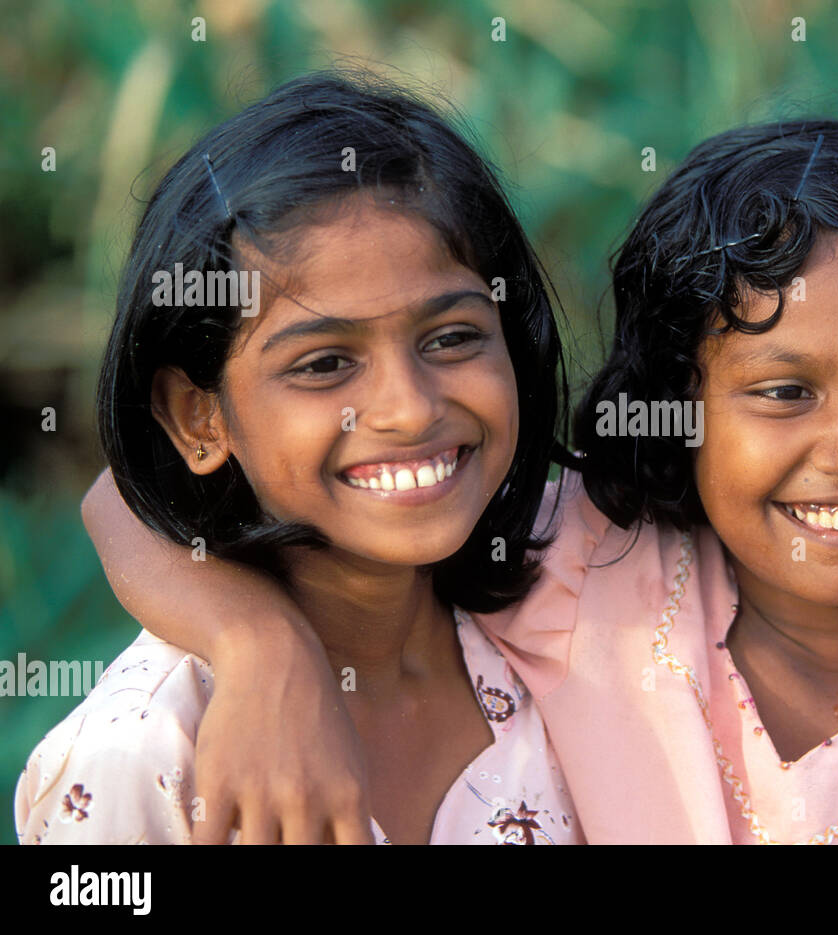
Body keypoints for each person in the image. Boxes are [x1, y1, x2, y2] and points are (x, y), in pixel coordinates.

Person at [74, 119, 838, 844]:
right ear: (676, 413)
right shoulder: (587, 571)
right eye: (779, 392)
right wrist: (258, 647)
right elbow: (131, 488)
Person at [15, 71, 579, 845]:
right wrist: (258, 647)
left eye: (451, 338)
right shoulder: (148, 750)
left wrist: (257, 642)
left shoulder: (575, 603)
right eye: (324, 364)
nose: (410, 407)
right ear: (198, 417)